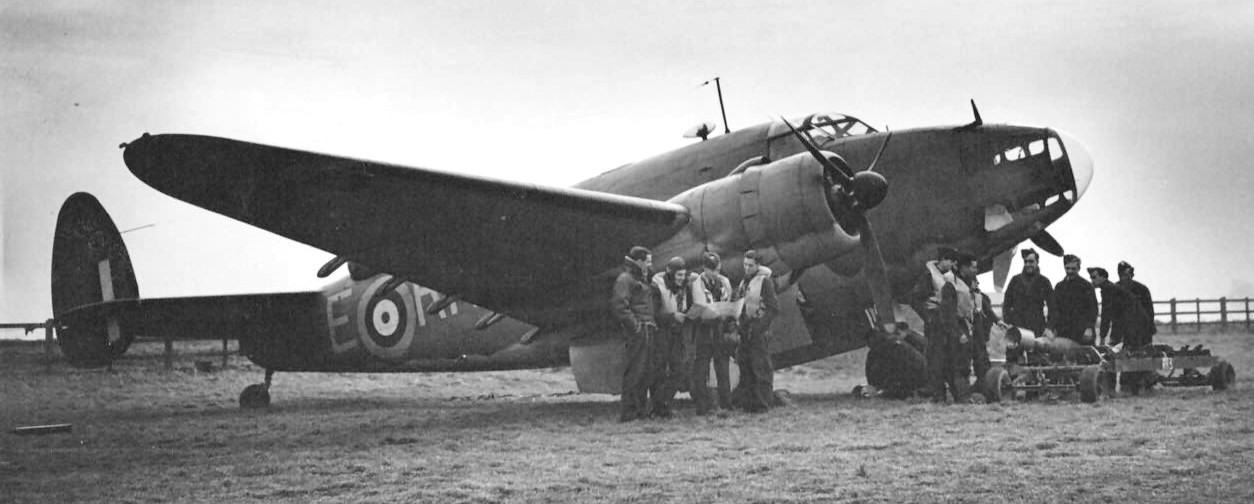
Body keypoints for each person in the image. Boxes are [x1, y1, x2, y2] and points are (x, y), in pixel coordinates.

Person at [910, 246, 969, 403]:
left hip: (947, 325)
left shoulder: (943, 277)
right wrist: (927, 316)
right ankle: (939, 396)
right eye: (950, 261)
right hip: (936, 325)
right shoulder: (928, 276)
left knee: (948, 360)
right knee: (936, 361)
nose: (952, 265)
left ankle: (949, 396)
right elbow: (915, 297)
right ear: (943, 260)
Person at [1090, 266, 1158, 394]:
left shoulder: (1109, 290)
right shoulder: (1111, 288)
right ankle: (1120, 387)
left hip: (1135, 324)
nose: (1092, 280)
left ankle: (1131, 387)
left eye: (1094, 277)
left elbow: (1106, 315)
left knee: (1130, 353)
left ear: (1103, 278)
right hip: (1127, 324)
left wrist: (1103, 336)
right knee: (1122, 352)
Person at [610, 245, 656, 422]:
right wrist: (636, 327)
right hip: (639, 330)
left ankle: (640, 410)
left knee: (645, 372)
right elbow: (619, 305)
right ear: (639, 262)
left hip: (647, 328)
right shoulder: (626, 279)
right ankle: (629, 412)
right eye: (648, 261)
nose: (650, 265)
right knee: (635, 372)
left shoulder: (638, 278)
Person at [689, 252, 734, 415]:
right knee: (701, 370)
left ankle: (726, 404)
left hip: (720, 331)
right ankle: (702, 406)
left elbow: (729, 301)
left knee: (723, 369)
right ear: (704, 268)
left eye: (716, 269)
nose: (714, 273)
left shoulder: (725, 282)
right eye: (711, 270)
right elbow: (697, 308)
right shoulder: (696, 283)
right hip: (703, 331)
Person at [733, 250, 779, 413]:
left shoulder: (765, 282)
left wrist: (760, 327)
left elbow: (773, 308)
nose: (746, 268)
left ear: (758, 265)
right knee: (746, 367)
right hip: (745, 331)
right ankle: (749, 402)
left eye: (750, 265)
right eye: (745, 265)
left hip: (758, 331)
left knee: (761, 368)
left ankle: (763, 404)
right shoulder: (744, 282)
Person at [649, 257, 693, 418]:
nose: (682, 279)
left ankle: (662, 402)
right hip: (662, 332)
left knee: (679, 369)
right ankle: (659, 407)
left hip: (678, 332)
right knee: (660, 370)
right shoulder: (656, 286)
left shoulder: (686, 285)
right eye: (678, 275)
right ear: (670, 272)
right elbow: (653, 312)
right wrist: (672, 316)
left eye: (683, 275)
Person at [1002, 248, 1053, 336]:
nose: (1028, 264)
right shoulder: (1015, 280)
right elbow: (1006, 304)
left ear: (1037, 262)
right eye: (1025, 262)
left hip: (1037, 328)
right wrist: (1008, 323)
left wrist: (1049, 328)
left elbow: (1053, 307)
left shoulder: (1044, 282)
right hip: (1017, 327)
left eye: (1031, 261)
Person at [1050, 254, 1098, 344]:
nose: (1070, 271)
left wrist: (1089, 328)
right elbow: (1055, 309)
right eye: (1067, 268)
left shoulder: (1086, 286)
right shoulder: (1059, 287)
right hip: (1064, 332)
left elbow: (1093, 309)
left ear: (1079, 268)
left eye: (1073, 269)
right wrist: (1053, 328)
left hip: (1082, 332)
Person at [969, 274, 998, 388]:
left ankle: (983, 384)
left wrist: (985, 335)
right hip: (971, 333)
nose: (976, 284)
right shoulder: (966, 294)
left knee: (981, 360)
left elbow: (989, 316)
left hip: (978, 335)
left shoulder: (982, 297)